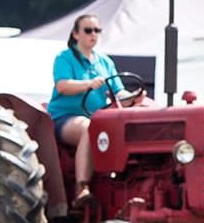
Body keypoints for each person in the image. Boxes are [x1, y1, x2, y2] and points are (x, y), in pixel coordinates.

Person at [47, 13, 144, 206]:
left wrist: (134, 97)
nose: (93, 34)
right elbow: (62, 86)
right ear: (76, 34)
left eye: (97, 30)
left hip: (99, 118)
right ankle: (81, 187)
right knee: (88, 128)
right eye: (88, 30)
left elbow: (119, 92)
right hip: (65, 118)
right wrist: (88, 84)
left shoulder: (105, 62)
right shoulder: (65, 58)